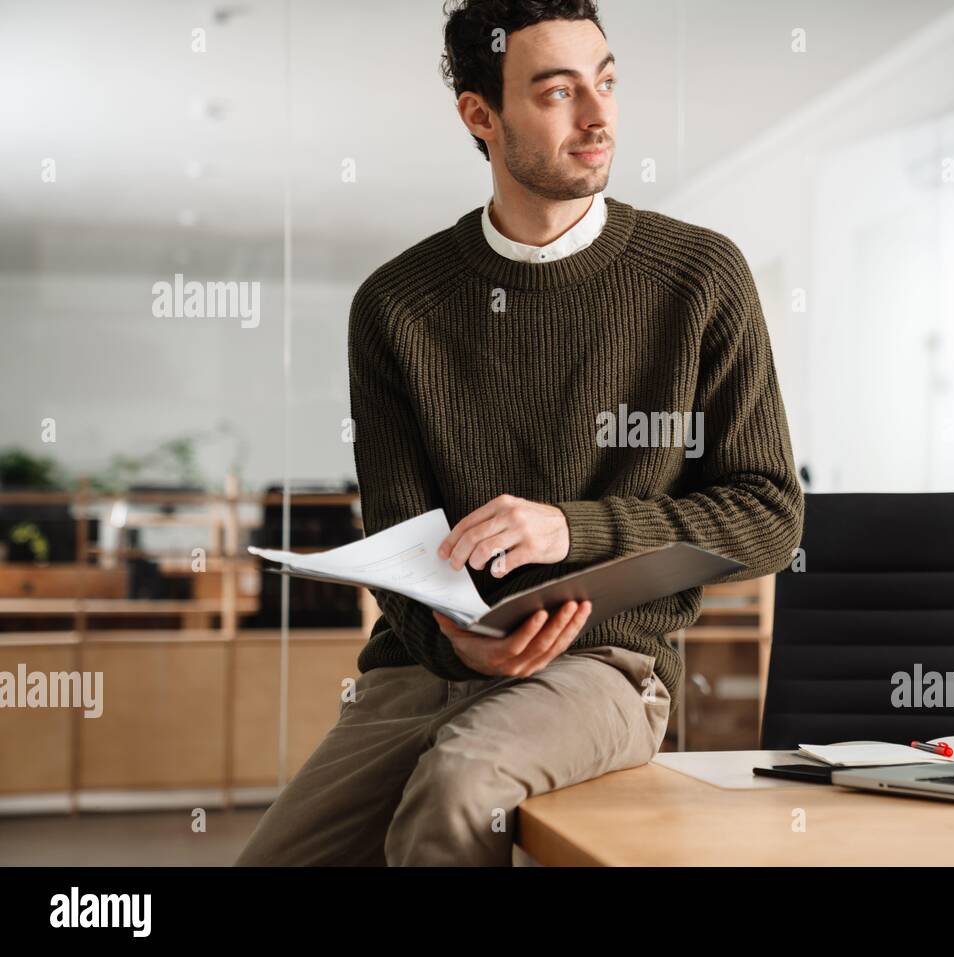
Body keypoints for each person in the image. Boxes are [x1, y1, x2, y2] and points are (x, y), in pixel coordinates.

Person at [235, 0, 803, 867]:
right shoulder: (396, 307)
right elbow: (398, 539)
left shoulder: (700, 278)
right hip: (422, 668)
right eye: (558, 91)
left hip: (607, 666)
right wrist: (449, 639)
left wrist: (571, 527)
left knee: (457, 787)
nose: (598, 114)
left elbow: (769, 513)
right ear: (480, 114)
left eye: (606, 82)